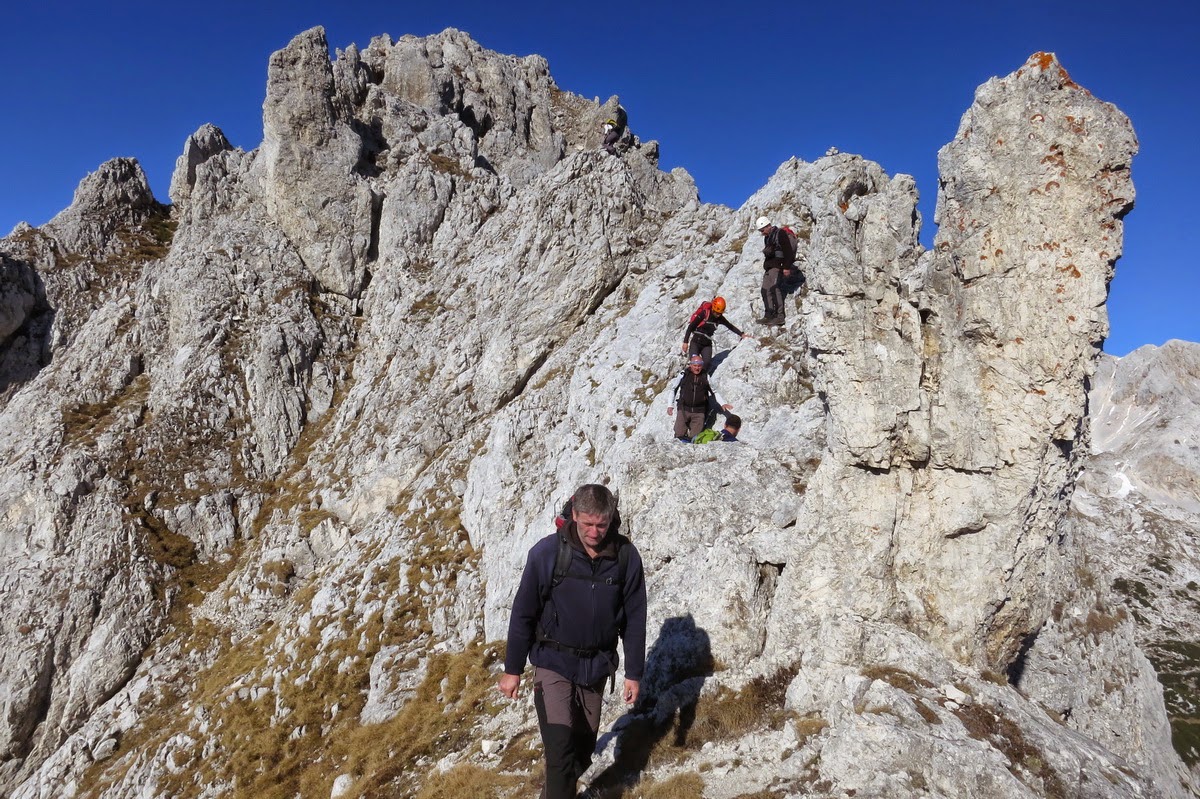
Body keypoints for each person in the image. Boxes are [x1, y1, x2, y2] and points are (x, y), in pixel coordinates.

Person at [498, 484, 647, 799]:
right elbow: (524, 613)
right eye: (588, 524)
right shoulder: (547, 553)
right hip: (553, 663)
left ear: (611, 519)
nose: (594, 532)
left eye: (601, 525)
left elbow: (635, 618)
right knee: (560, 753)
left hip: (596, 667)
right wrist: (513, 669)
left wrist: (634, 672)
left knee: (581, 753)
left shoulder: (625, 556)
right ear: (575, 515)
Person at [668, 355, 733, 442]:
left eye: (699, 366)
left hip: (699, 412)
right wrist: (670, 405)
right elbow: (673, 389)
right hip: (683, 409)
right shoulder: (683, 375)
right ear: (690, 365)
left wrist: (722, 403)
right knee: (679, 434)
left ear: (702, 366)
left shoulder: (705, 376)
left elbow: (714, 392)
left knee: (695, 438)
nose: (697, 368)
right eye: (695, 365)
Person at [681, 296, 752, 369]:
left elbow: (730, 326)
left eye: (720, 313)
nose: (718, 315)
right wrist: (685, 342)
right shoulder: (705, 313)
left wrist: (742, 335)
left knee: (706, 365)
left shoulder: (720, 318)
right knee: (695, 363)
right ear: (713, 309)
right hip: (696, 342)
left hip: (707, 344)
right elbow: (691, 326)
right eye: (717, 313)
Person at [756, 216, 796, 326]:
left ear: (768, 226)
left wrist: (786, 267)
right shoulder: (767, 238)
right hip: (769, 268)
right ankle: (769, 315)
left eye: (762, 230)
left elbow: (788, 251)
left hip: (778, 267)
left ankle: (780, 316)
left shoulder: (780, 234)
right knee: (765, 290)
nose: (762, 233)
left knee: (774, 288)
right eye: (760, 231)